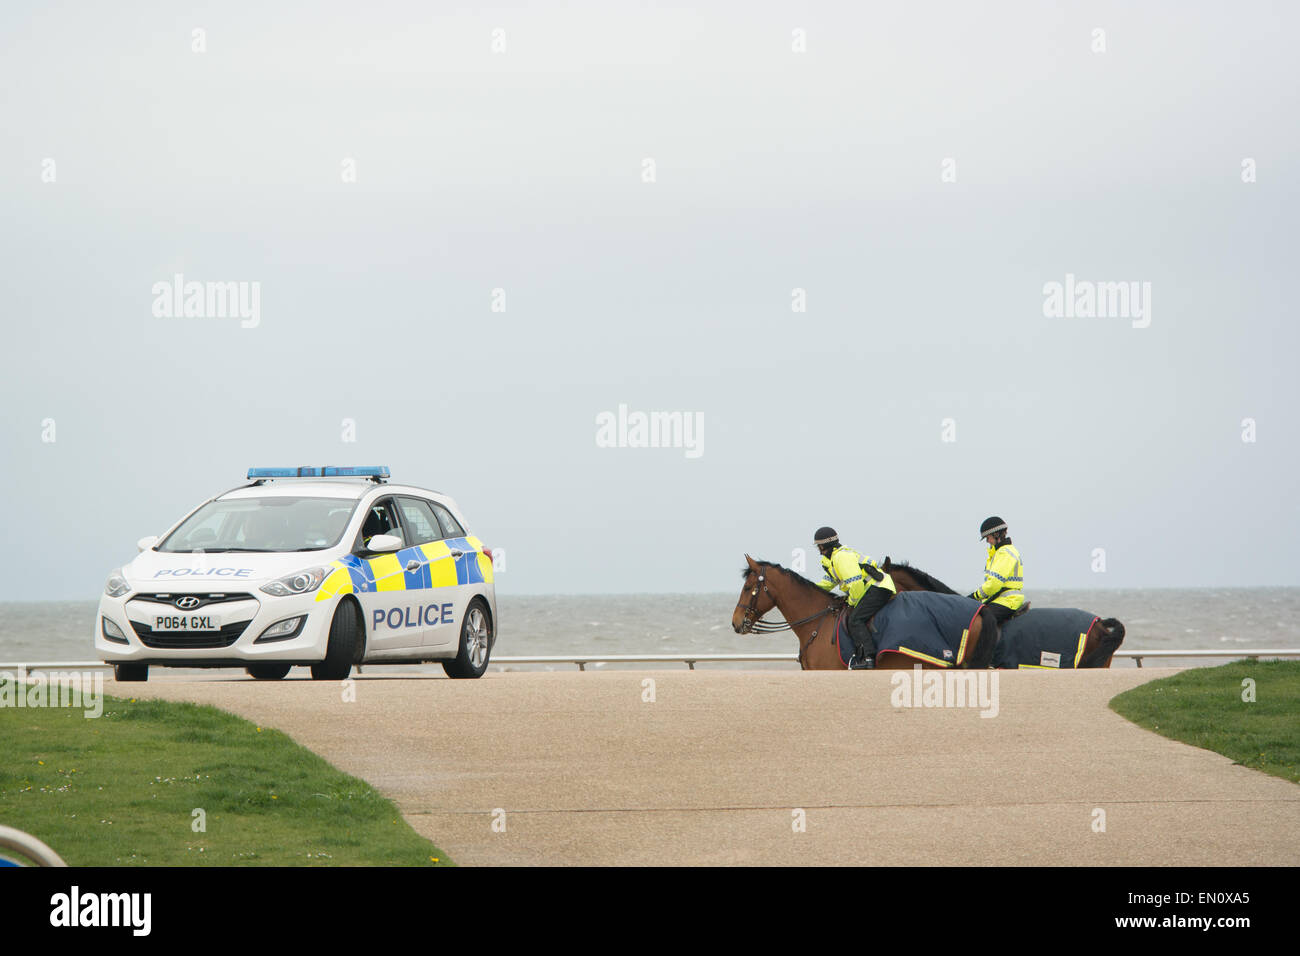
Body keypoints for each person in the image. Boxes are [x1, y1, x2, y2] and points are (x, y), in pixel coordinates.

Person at [813, 526, 896, 669]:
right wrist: (811, 591)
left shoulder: (841, 557)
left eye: (819, 546)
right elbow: (829, 582)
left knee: (855, 619)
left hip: (879, 588)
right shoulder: (832, 559)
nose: (819, 550)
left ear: (824, 545)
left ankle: (868, 658)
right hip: (870, 588)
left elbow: (856, 585)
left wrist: (851, 603)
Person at [970, 516, 1025, 625]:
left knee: (979, 623)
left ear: (997, 534)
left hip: (1007, 602)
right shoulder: (999, 553)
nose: (987, 541)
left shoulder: (1005, 553)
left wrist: (974, 596)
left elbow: (994, 584)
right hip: (999, 601)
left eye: (988, 537)